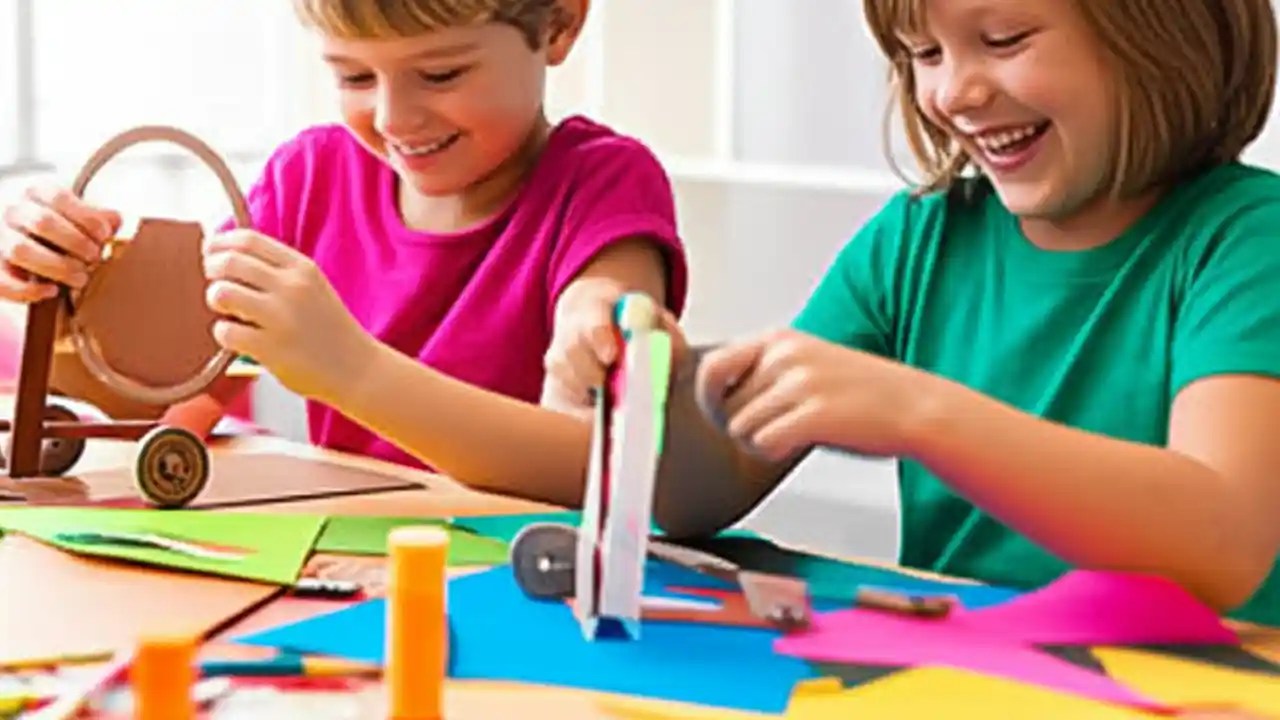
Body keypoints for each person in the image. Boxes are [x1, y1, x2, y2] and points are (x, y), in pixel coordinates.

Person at [555, 0, 1280, 627]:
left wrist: (919, 413)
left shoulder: (1247, 239)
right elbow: (705, 497)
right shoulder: (917, 239)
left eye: (1003, 40)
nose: (952, 93)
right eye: (923, 53)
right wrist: (653, 389)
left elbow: (1223, 544)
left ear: (1162, 32)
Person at [0, 0, 687, 490]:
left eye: (442, 74)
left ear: (560, 22)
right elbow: (173, 398)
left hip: (519, 592)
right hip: (348, 584)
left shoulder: (602, 185)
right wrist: (59, 321)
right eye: (355, 77)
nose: (393, 118)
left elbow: (595, 468)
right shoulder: (309, 178)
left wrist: (348, 370)